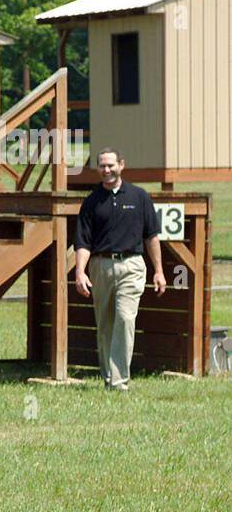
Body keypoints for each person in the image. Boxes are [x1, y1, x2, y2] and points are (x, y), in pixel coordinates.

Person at [73, 147, 166, 391]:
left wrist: (159, 270)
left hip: (132, 265)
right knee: (105, 325)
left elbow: (151, 236)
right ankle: (109, 378)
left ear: (121, 164)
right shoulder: (91, 202)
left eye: (110, 165)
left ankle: (119, 381)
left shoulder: (139, 197)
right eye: (102, 166)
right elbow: (83, 242)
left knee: (125, 319)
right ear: (97, 168)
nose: (106, 170)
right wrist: (80, 272)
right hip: (100, 266)